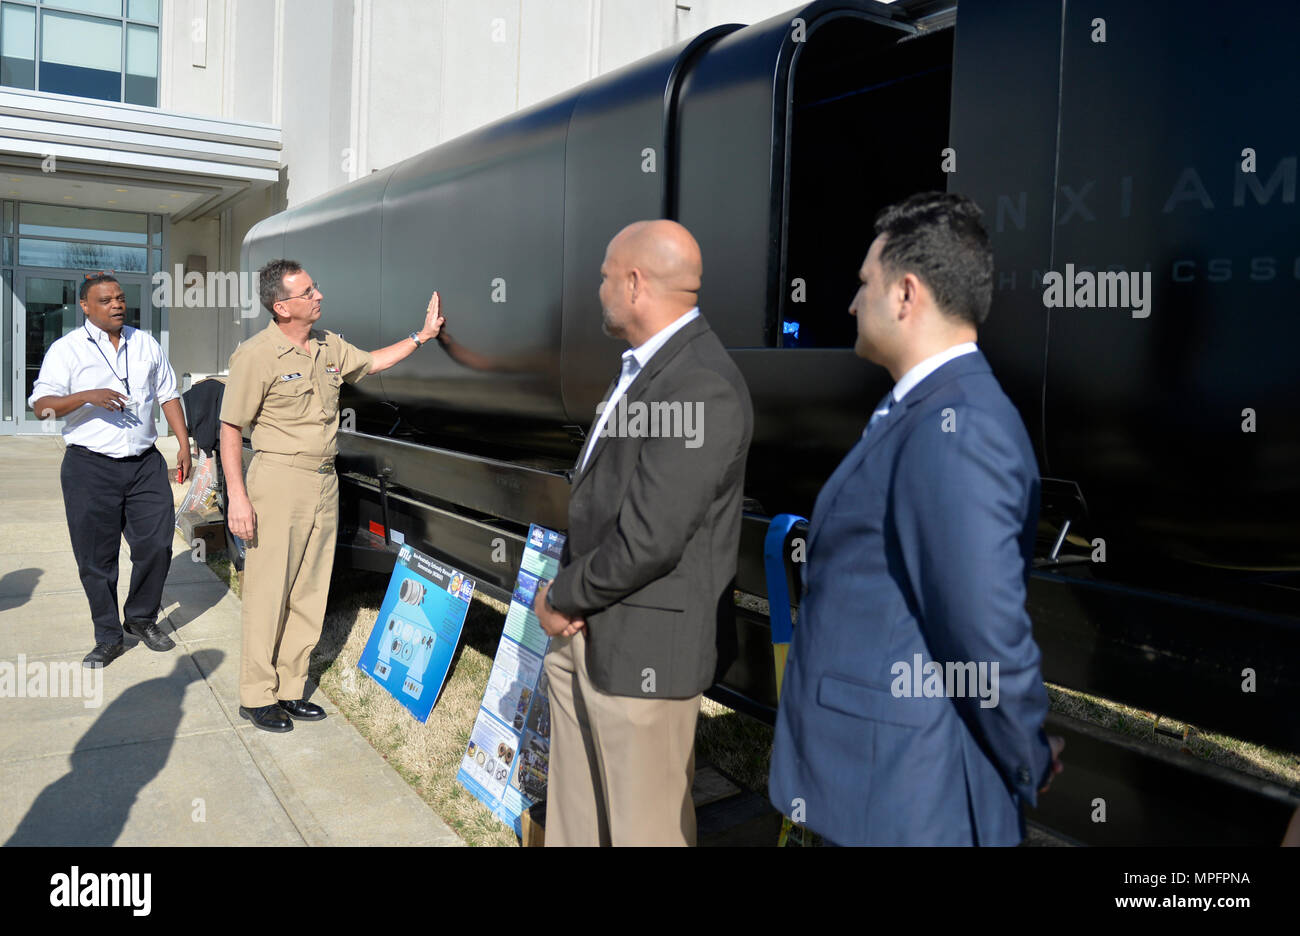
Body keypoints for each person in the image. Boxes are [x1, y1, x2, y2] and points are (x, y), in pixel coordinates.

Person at [768, 192, 1064, 845]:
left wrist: (1027, 753)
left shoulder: (957, 426)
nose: (851, 303)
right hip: (878, 785)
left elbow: (981, 627)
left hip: (906, 800)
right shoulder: (929, 409)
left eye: (863, 284)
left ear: (906, 295)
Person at [532, 219, 753, 846]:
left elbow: (651, 538)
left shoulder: (700, 385)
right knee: (579, 825)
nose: (598, 288)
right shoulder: (645, 367)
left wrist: (563, 598)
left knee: (641, 832)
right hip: (591, 638)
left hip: (641, 657)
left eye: (604, 275)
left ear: (634, 284)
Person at [218, 259, 444, 733]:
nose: (318, 296)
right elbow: (230, 429)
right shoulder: (257, 355)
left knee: (310, 590)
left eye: (315, 287)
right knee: (269, 592)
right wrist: (237, 498)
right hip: (277, 481)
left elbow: (373, 361)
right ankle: (256, 696)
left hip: (324, 481)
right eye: (307, 292)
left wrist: (421, 336)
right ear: (282, 306)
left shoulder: (327, 345)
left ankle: (289, 689)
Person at [29, 272, 191, 667]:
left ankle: (140, 618)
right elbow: (41, 407)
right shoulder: (67, 350)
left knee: (156, 546)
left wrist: (184, 443)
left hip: (144, 465)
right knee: (96, 559)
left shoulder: (145, 343)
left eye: (120, 298)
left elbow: (168, 393)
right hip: (90, 468)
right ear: (85, 306)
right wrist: (86, 396)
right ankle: (107, 635)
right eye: (106, 300)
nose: (117, 305)